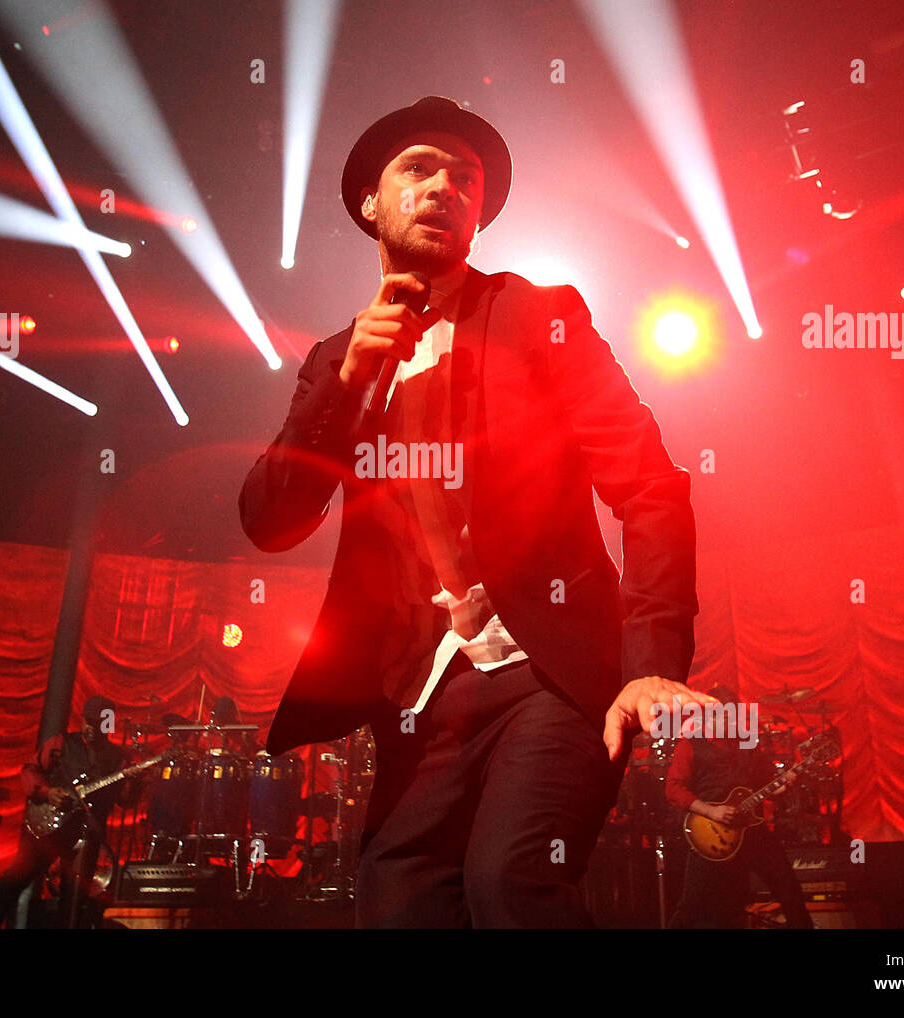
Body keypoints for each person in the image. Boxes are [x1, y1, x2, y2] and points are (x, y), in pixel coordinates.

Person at [240, 96, 707, 927]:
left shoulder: (539, 316)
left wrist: (651, 659)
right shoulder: (333, 361)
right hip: (417, 695)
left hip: (551, 676)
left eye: (466, 177)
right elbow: (271, 521)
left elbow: (649, 485)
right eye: (417, 169)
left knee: (512, 885)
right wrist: (344, 391)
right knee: (397, 904)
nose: (445, 186)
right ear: (370, 205)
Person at [664, 687, 811, 929]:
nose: (730, 720)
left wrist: (781, 786)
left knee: (788, 888)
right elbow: (674, 789)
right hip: (711, 832)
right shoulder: (691, 745)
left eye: (733, 715)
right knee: (691, 906)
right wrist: (711, 811)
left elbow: (762, 785)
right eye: (723, 714)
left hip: (751, 831)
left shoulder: (747, 745)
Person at [0, 696, 123, 928]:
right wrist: (48, 793)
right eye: (88, 721)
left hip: (86, 834)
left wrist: (136, 784)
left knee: (74, 896)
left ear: (108, 726)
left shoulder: (117, 758)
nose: (90, 728)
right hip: (49, 825)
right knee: (17, 876)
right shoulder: (62, 743)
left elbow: (124, 800)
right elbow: (31, 770)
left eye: (97, 723)